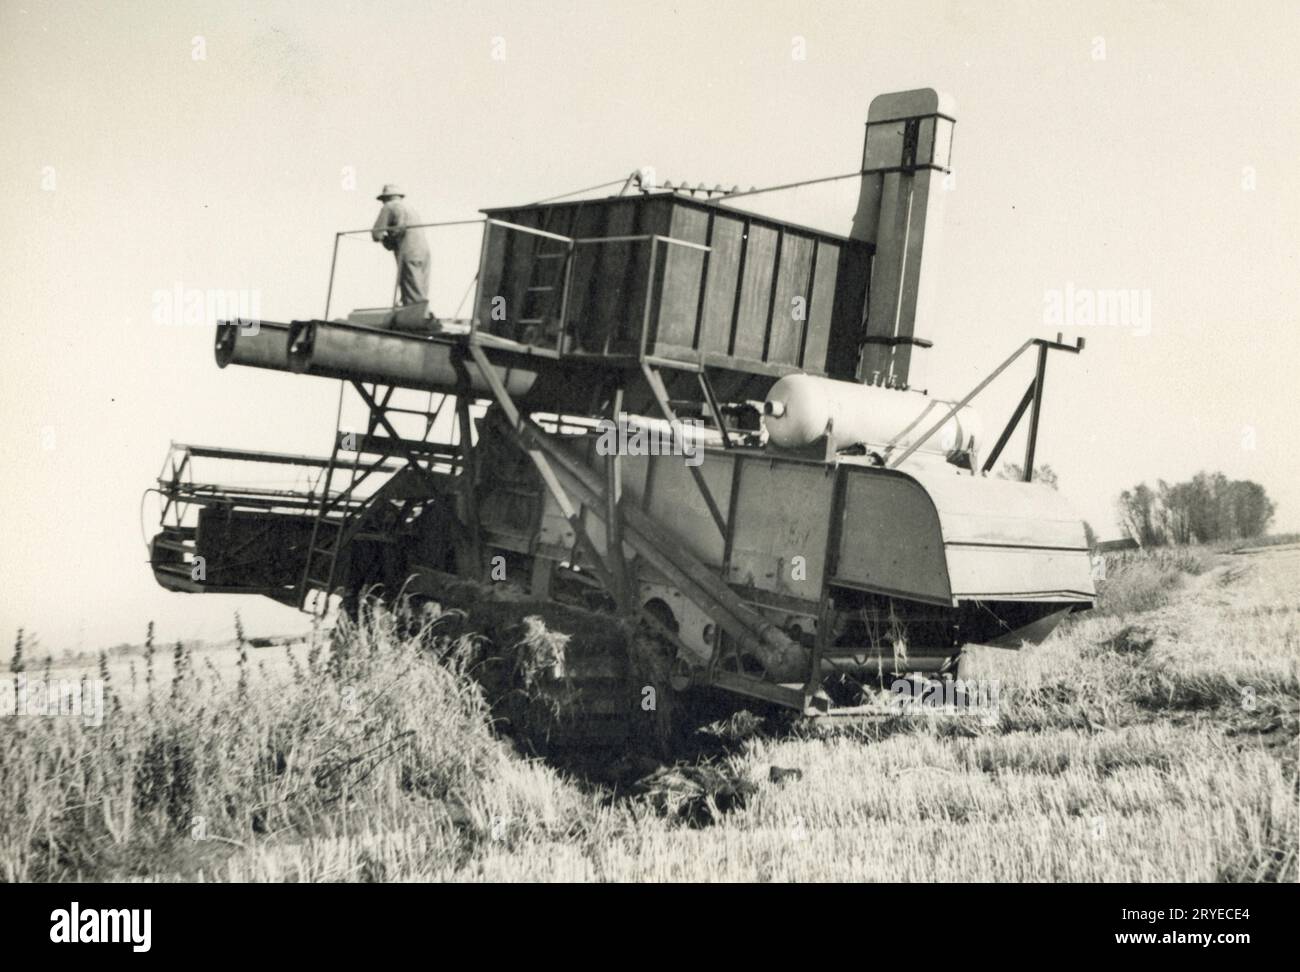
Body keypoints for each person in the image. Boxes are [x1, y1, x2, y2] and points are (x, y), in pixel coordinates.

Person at [370, 184, 430, 306]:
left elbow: (376, 234)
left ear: (386, 198)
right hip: (424, 252)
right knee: (419, 288)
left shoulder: (389, 206)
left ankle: (413, 318)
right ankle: (419, 313)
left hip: (407, 251)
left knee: (411, 289)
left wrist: (385, 241)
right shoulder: (410, 208)